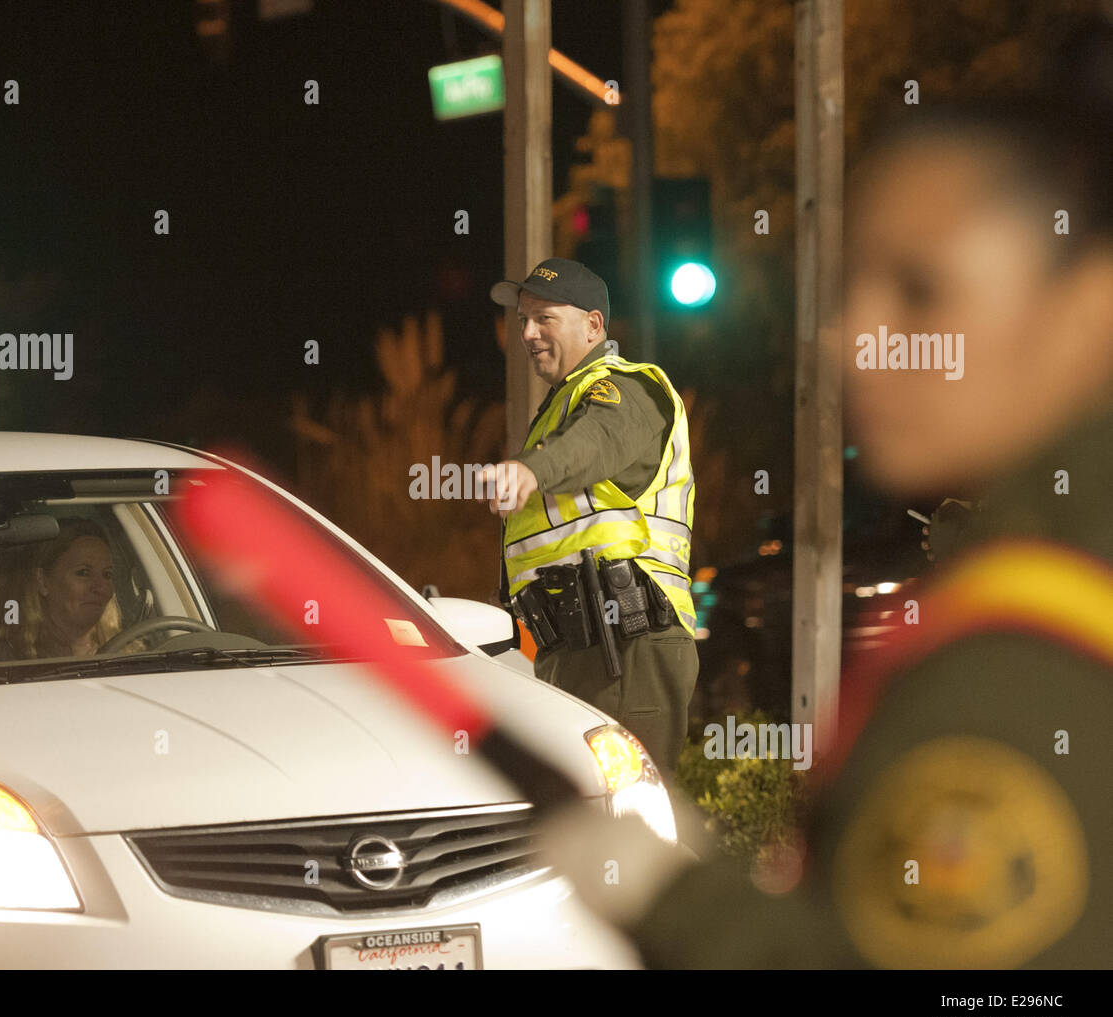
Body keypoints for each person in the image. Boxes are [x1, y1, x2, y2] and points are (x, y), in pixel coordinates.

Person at [555, 19, 1113, 969]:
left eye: (921, 289)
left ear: (1090, 306)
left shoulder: (1018, 673)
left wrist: (676, 900)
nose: (854, 339)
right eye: (851, 288)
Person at [476, 257, 699, 775]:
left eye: (544, 318)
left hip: (630, 645)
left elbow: (599, 441)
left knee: (628, 826)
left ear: (593, 325)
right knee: (589, 830)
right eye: (523, 320)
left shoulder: (624, 388)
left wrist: (532, 470)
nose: (528, 333)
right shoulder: (557, 410)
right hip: (576, 650)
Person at [0, 517, 125, 661]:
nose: (103, 588)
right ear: (42, 581)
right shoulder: (7, 661)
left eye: (107, 574)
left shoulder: (129, 653)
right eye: (83, 573)